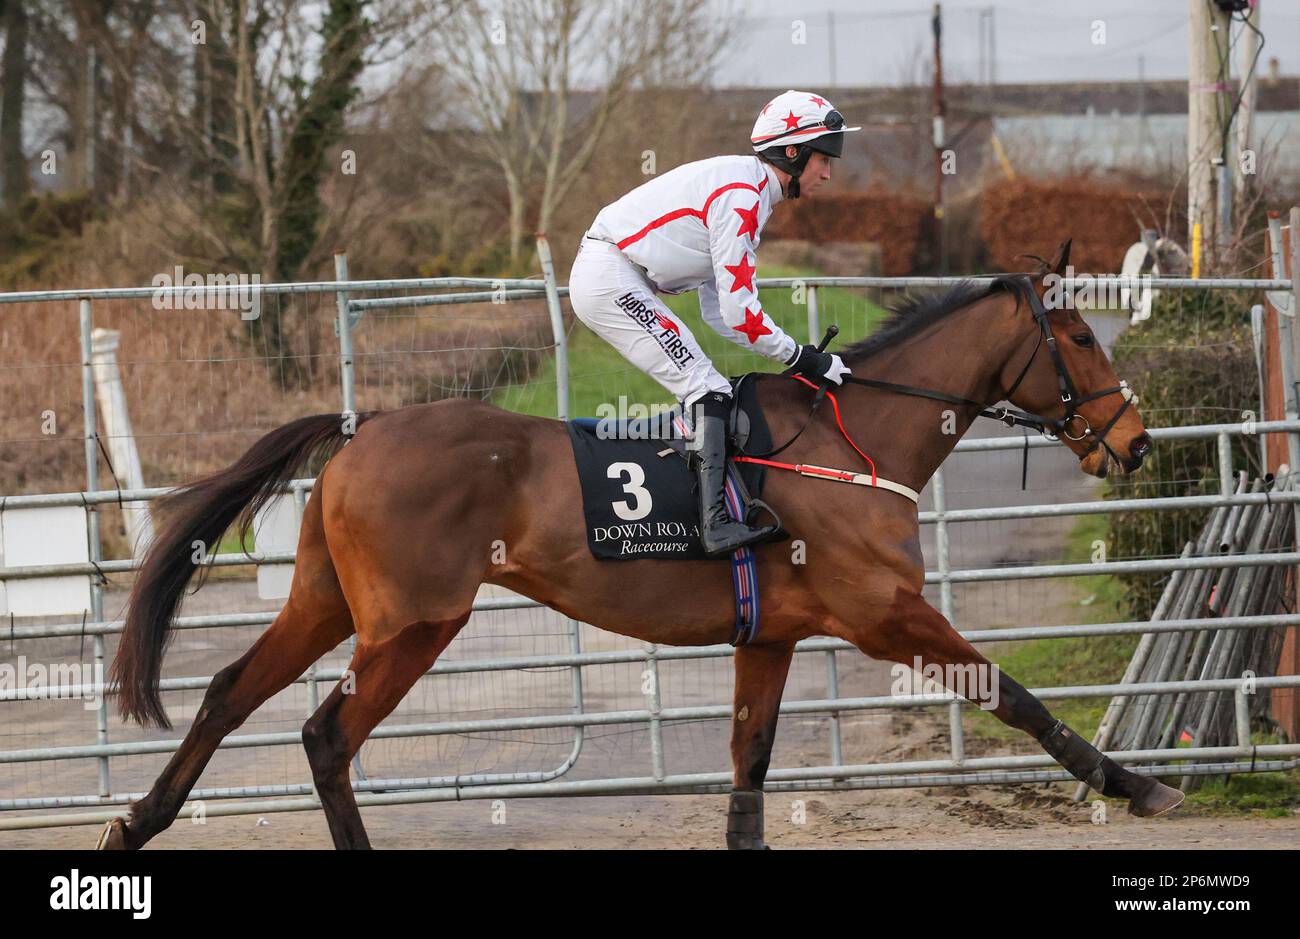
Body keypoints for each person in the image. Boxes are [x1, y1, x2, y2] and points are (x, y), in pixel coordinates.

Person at [568, 90, 858, 556]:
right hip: (611, 277)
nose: (828, 173)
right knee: (708, 390)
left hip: (614, 273)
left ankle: (707, 505)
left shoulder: (747, 191)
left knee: (709, 388)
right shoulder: (742, 197)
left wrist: (795, 355)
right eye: (824, 159)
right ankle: (714, 526)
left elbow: (721, 312)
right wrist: (803, 357)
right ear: (793, 153)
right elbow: (743, 315)